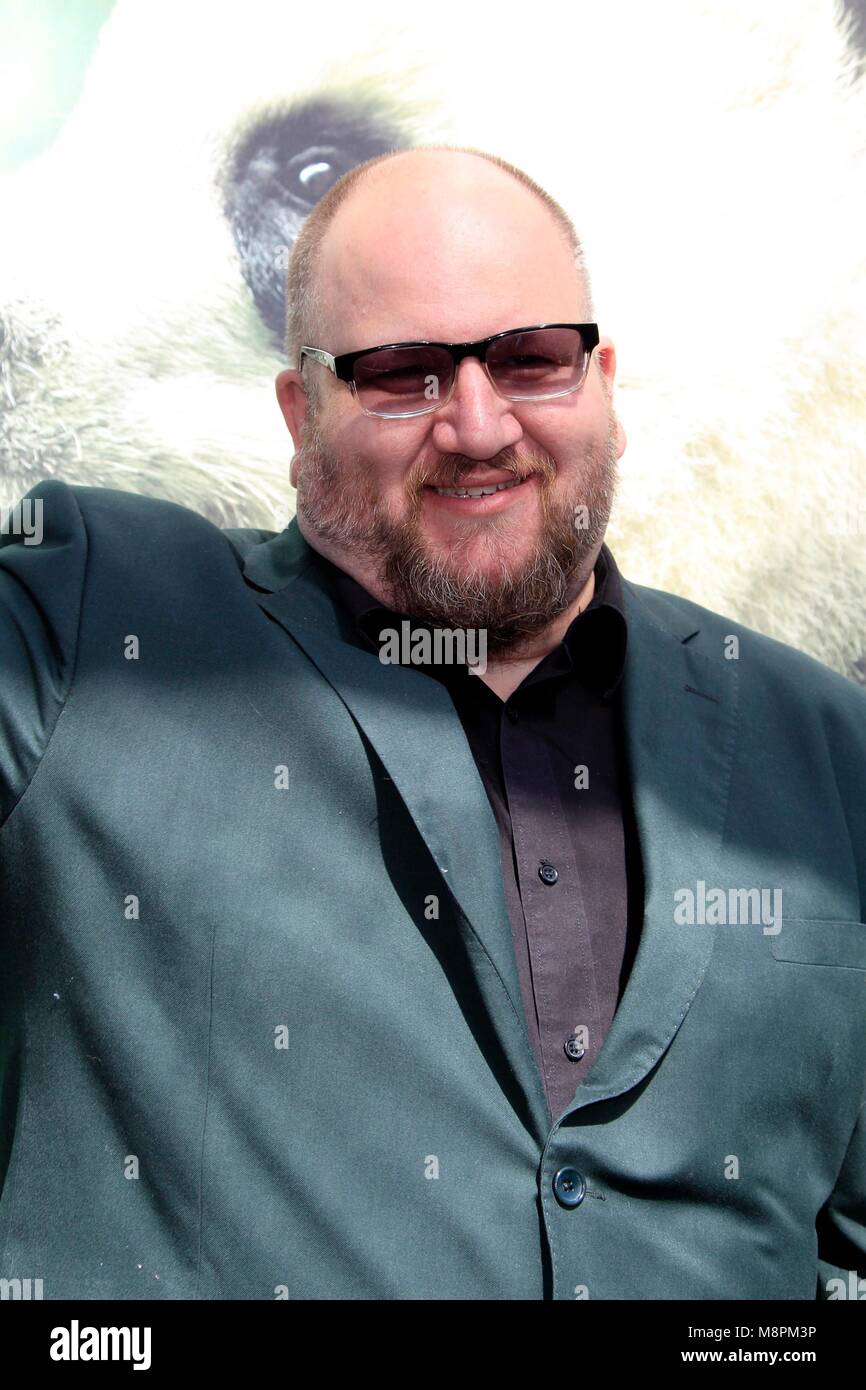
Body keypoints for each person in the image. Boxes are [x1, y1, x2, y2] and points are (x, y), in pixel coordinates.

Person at [0, 146, 864, 1302]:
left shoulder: (819, 737)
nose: (475, 424)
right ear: (299, 411)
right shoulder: (92, 629)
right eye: (402, 373)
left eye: (529, 359)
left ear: (601, 378)